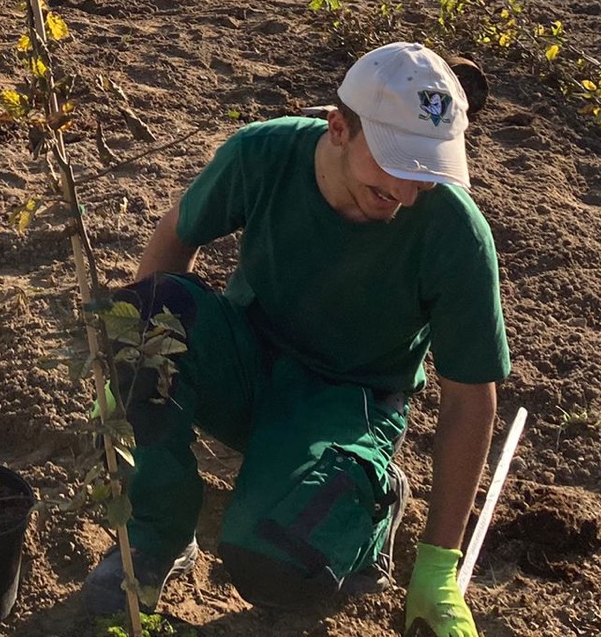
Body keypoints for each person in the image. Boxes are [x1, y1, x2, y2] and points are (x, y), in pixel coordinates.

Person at [85, 41, 509, 636]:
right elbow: (173, 243)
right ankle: (158, 535)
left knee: (277, 570)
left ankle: (372, 494)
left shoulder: (455, 235)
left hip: (346, 403)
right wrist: (134, 372)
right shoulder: (263, 154)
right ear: (338, 128)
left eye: (427, 170)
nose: (409, 192)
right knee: (144, 312)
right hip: (250, 361)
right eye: (394, 162)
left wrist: (439, 566)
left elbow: (470, 401)